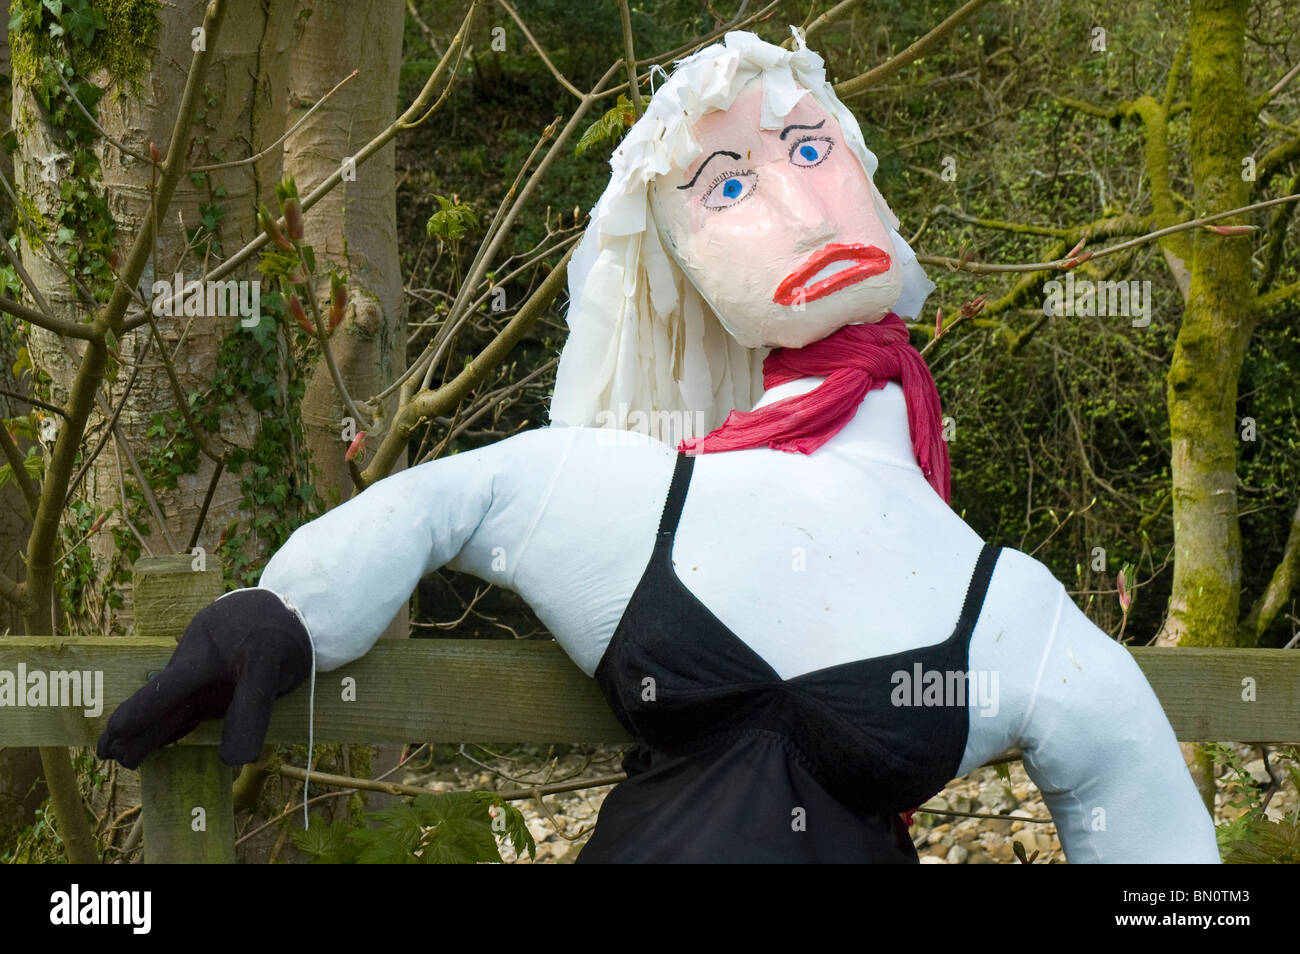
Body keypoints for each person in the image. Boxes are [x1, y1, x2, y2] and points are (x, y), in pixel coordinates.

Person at [99, 30, 1220, 863]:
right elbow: (456, 500)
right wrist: (285, 610)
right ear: (679, 266)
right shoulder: (645, 498)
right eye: (726, 184)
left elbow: (1141, 809)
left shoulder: (1006, 607)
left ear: (865, 174)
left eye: (808, 149)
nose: (795, 208)